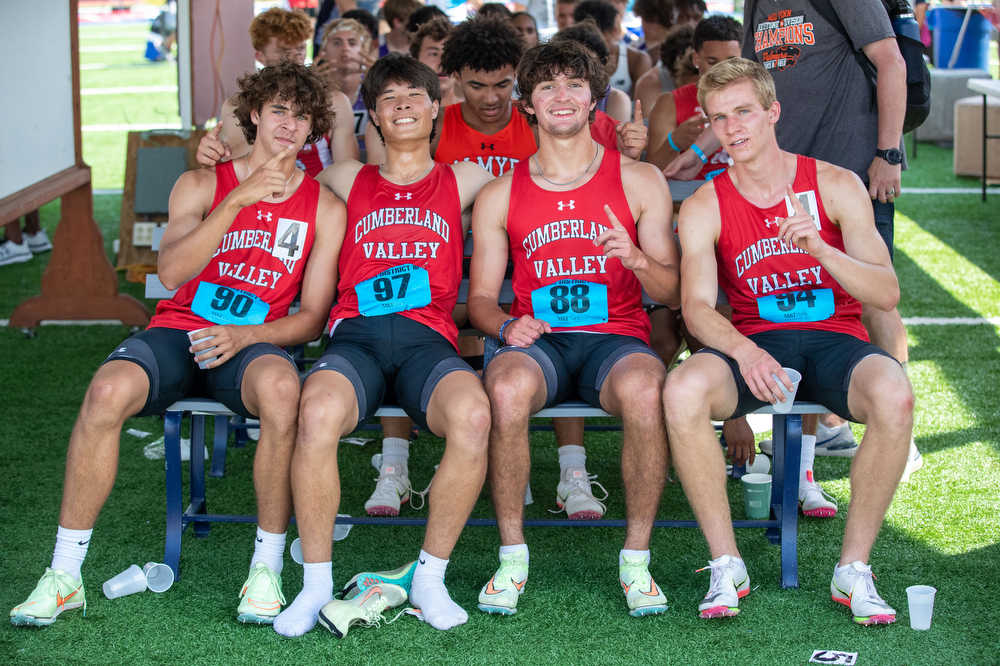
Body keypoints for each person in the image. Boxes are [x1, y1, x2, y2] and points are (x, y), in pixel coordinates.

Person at [10, 61, 344, 628]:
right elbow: (169, 268)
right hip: (178, 329)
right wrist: (239, 199)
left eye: (302, 114)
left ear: (314, 129)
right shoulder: (201, 182)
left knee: (284, 390)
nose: (289, 123)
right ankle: (64, 575)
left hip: (248, 342)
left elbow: (312, 318)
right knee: (106, 391)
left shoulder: (324, 206)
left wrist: (247, 334)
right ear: (256, 116)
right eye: (279, 110)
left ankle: (265, 570)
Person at [662, 58, 913, 624]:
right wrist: (745, 351)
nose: (733, 128)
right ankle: (726, 562)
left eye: (744, 111)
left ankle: (854, 569)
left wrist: (822, 250)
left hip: (835, 339)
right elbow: (696, 308)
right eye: (719, 118)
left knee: (894, 394)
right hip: (756, 341)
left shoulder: (834, 183)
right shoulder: (705, 203)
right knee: (682, 390)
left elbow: (887, 291)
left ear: (773, 112)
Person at [270, 53, 494, 636]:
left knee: (472, 416)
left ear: (435, 110)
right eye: (388, 98)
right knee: (316, 412)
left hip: (429, 341)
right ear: (372, 114)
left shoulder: (464, 177)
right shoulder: (346, 178)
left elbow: (555, 172)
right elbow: (275, 179)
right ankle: (316, 583)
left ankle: (429, 577)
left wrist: (624, 141)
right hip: (358, 339)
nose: (401, 106)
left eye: (413, 96)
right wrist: (215, 152)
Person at [666, 0, 922, 485]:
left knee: (868, 303)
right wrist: (698, 150)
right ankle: (807, 455)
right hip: (766, 164)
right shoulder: (756, 4)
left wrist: (889, 150)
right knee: (783, 304)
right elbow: (738, 95)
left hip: (841, 168)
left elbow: (891, 59)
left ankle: (896, 425)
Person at [467, 40, 681, 618]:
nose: (561, 97)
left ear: (594, 100)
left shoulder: (638, 181)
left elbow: (676, 292)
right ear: (528, 105)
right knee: (506, 389)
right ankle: (512, 558)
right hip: (541, 341)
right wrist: (507, 325)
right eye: (546, 87)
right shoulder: (499, 193)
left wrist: (637, 262)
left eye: (573, 86)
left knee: (645, 389)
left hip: (616, 338)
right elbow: (481, 302)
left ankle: (636, 562)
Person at [203, 7, 358, 177]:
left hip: (318, 196)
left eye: (299, 49)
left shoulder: (335, 101)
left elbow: (348, 175)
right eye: (284, 51)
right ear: (260, 55)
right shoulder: (236, 105)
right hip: (261, 196)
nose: (294, 58)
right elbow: (233, 165)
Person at [646, 15, 741, 175]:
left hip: (742, 194)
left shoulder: (756, 99)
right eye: (712, 62)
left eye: (732, 61)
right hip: (686, 196)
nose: (722, 70)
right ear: (696, 58)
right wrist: (674, 142)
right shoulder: (670, 103)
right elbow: (652, 173)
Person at [573, 0, 651, 96]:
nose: (594, 43)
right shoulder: (566, 58)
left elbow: (640, 106)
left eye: (598, 37)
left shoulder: (637, 60)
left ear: (613, 31)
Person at [410, 17, 462, 107]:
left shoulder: (475, 116)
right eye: (433, 54)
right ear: (415, 62)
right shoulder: (404, 114)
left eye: (449, 54)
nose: (443, 63)